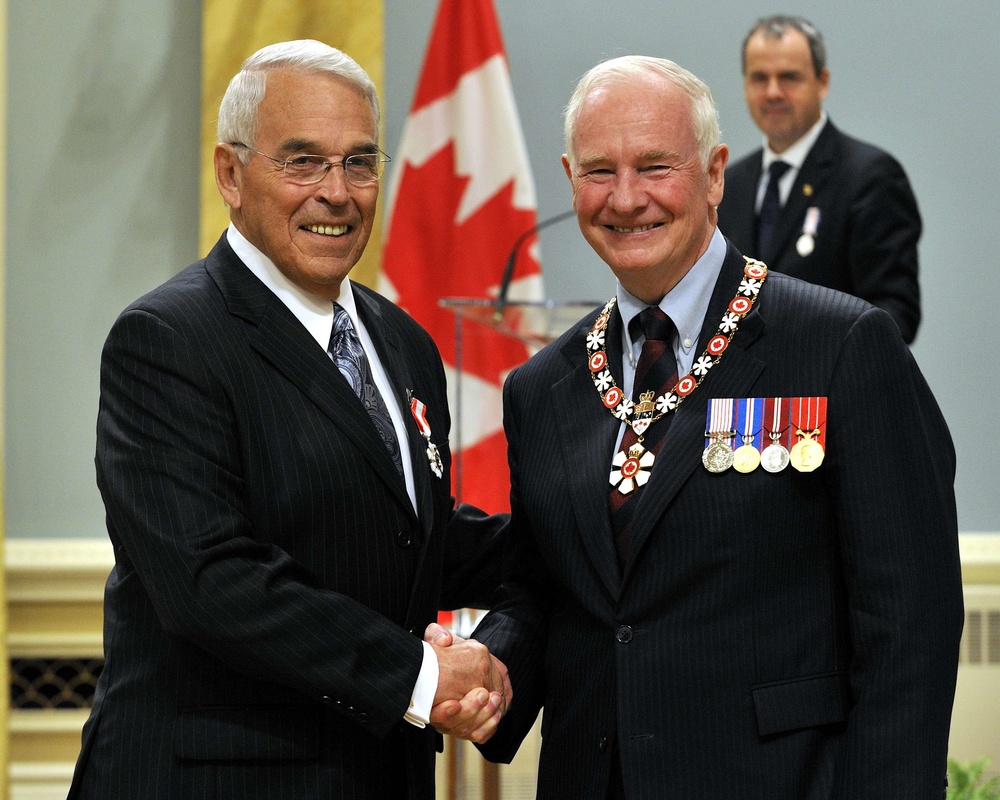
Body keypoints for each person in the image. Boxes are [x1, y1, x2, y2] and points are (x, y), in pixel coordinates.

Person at [433, 54, 963, 799]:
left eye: (655, 166)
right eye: (597, 171)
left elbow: (911, 621)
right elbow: (542, 593)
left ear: (715, 174)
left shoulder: (840, 347)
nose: (626, 198)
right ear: (568, 177)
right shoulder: (539, 388)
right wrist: (491, 669)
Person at [67, 40, 510, 800]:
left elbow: (408, 532)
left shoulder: (402, 342)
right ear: (231, 175)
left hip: (377, 774)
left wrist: (590, 533)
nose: (336, 192)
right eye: (302, 162)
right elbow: (211, 580)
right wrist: (422, 674)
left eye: (360, 161)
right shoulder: (167, 341)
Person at [716, 15, 922, 344]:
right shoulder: (730, 183)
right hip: (743, 393)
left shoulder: (870, 176)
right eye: (759, 78)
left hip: (830, 389)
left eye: (789, 77)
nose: (772, 92)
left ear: (822, 82)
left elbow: (895, 314)